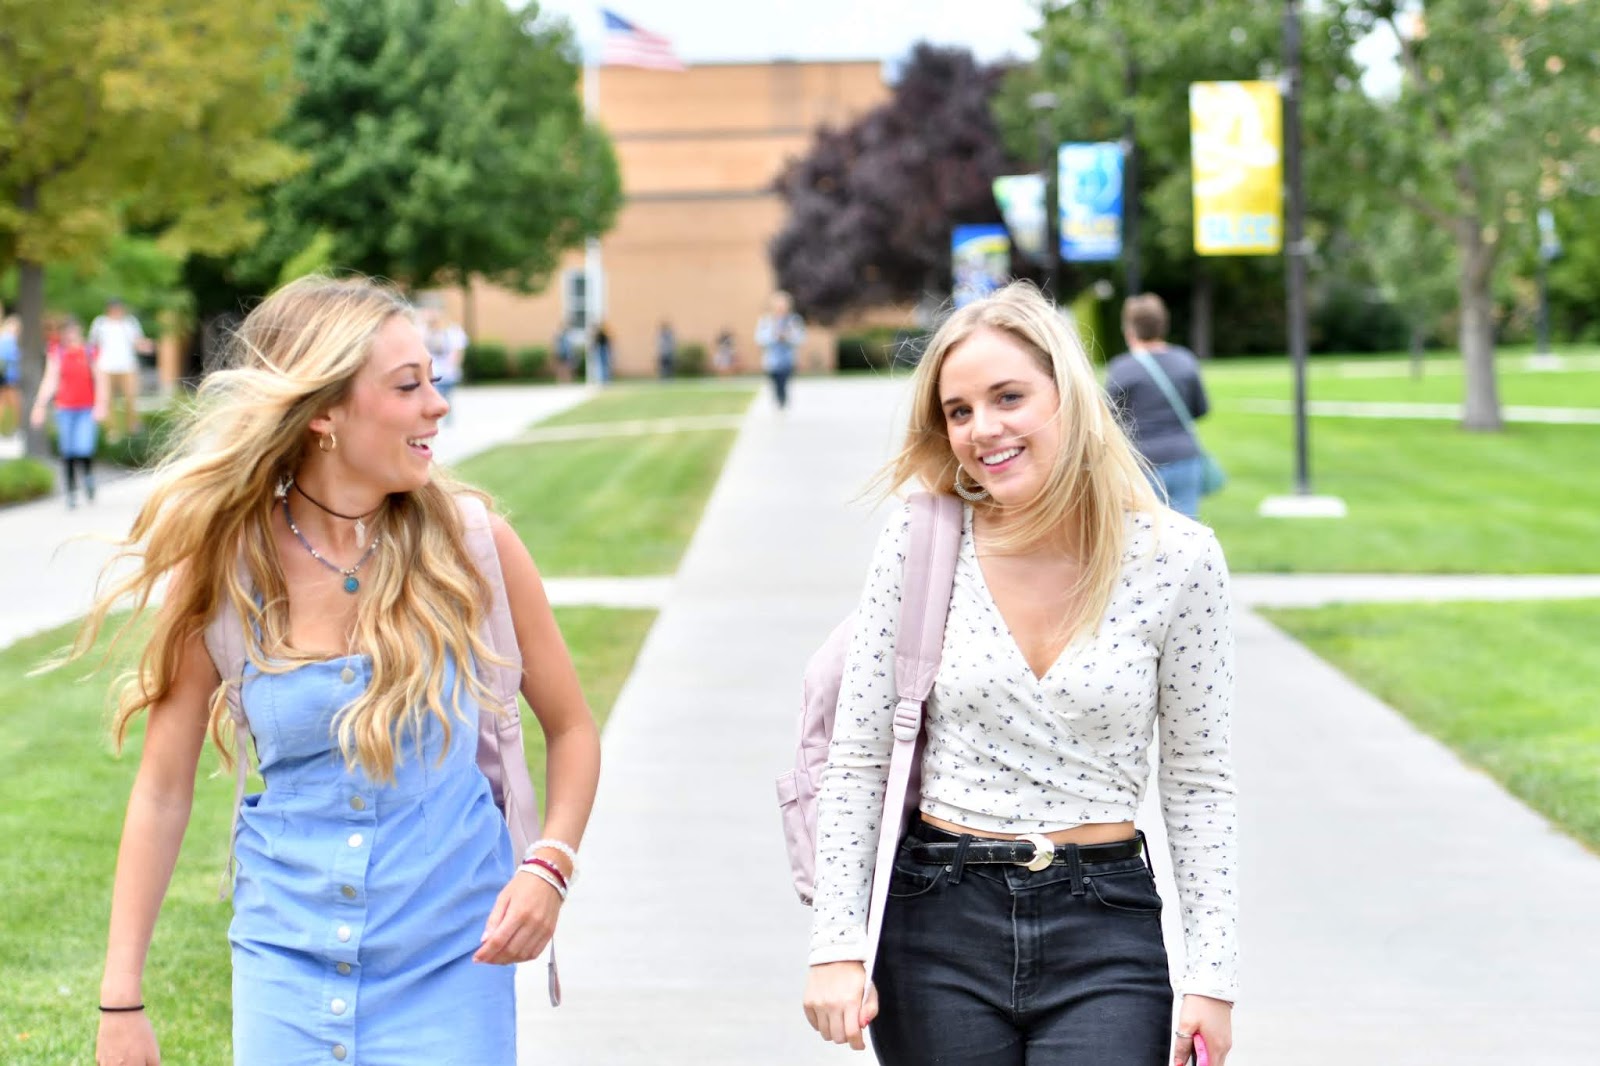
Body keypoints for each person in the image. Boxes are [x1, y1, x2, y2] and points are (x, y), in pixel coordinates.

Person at [63, 276, 601, 1065]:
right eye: (408, 386)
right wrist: (122, 996)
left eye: (434, 382)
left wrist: (548, 866)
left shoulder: (475, 548)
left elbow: (574, 728)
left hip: (454, 963)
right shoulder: (227, 568)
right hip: (284, 964)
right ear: (322, 413)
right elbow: (162, 786)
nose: (437, 407)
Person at [802, 282, 1237, 1066]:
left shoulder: (1178, 559)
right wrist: (835, 944)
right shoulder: (921, 540)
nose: (982, 430)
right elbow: (859, 757)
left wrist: (1213, 974)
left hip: (1107, 927)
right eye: (959, 411)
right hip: (935, 922)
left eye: (1008, 397)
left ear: (1067, 394)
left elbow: (1200, 781)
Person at [1104, 293, 1212, 519]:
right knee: (1187, 533)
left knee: (1146, 533)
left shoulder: (1121, 368)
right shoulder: (1185, 360)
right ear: (1163, 324)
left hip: (1142, 462)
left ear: (1129, 329)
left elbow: (1108, 418)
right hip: (1185, 456)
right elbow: (1201, 409)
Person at [30, 318, 106, 509]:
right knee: (68, 450)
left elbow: (101, 379)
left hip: (86, 408)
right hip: (65, 408)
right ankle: (71, 491)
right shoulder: (57, 353)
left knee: (84, 447)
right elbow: (50, 379)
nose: (71, 335)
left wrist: (101, 404)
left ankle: (88, 477)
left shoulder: (89, 352)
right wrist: (39, 405)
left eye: (74, 331)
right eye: (67, 332)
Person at [87, 297, 154, 440]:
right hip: (106, 366)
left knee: (130, 396)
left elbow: (137, 342)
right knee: (108, 399)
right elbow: (93, 345)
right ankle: (112, 430)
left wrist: (145, 346)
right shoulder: (100, 324)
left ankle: (132, 426)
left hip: (127, 365)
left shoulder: (129, 323)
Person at [754, 292, 804, 409]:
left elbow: (800, 338)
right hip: (772, 360)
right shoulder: (766, 321)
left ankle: (782, 399)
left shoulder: (794, 320)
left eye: (783, 305)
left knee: (784, 380)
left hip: (788, 359)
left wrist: (787, 337)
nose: (781, 308)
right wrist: (774, 336)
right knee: (775, 381)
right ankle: (779, 397)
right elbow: (759, 339)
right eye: (778, 305)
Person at [0, 313, 20, 437]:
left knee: (3, 403)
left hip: (4, 376)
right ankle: (17, 430)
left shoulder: (2, 338)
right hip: (8, 377)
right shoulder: (9, 340)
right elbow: (12, 357)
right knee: (13, 403)